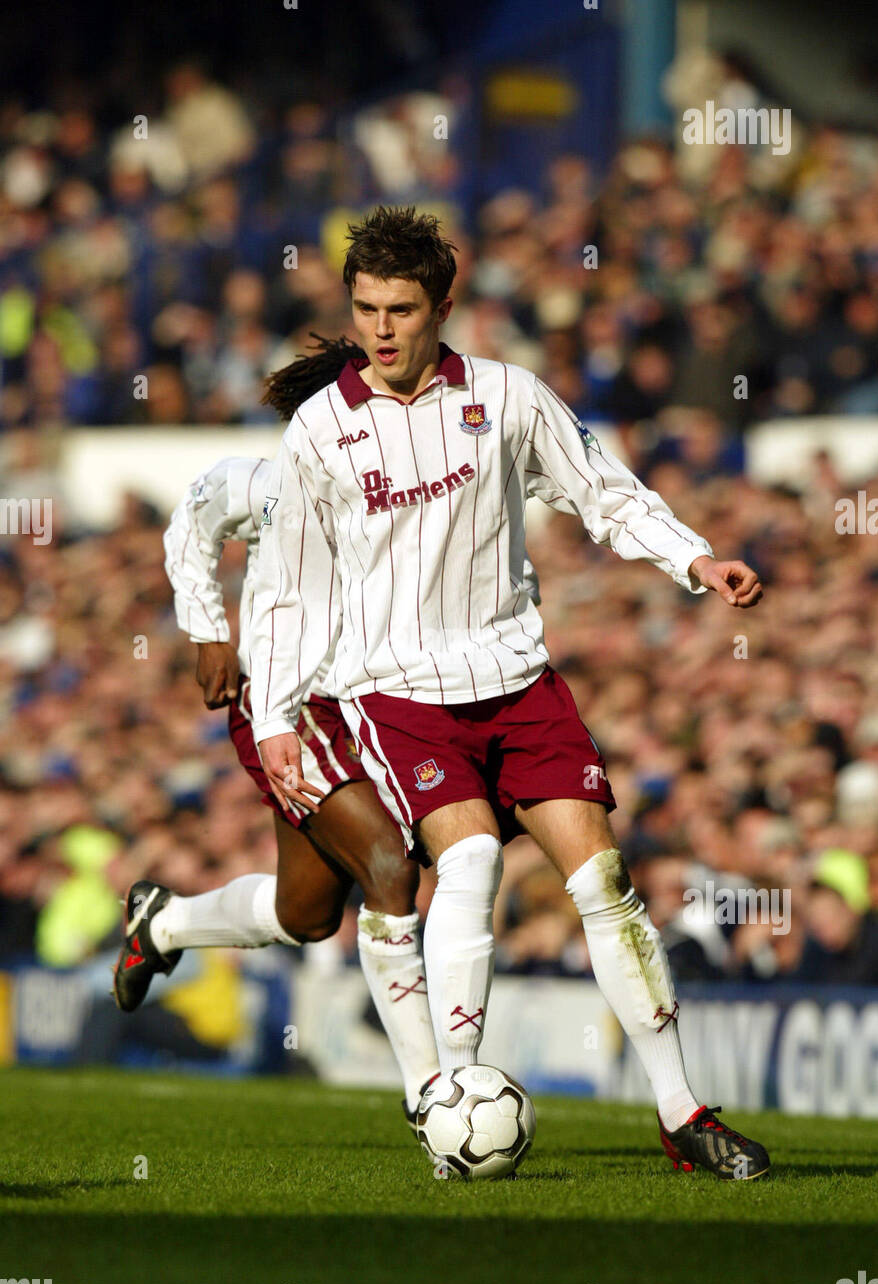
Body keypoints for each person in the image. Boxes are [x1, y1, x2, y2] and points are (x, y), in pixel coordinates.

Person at [250, 206, 771, 1180]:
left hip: (518, 678)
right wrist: (275, 717)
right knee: (475, 855)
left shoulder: (507, 397)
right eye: (365, 310)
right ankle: (456, 1097)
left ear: (443, 306)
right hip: (396, 688)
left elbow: (602, 490)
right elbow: (288, 584)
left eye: (402, 309)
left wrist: (692, 557)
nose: (381, 331)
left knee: (602, 880)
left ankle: (681, 1110)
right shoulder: (320, 432)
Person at [112, 340, 440, 1128]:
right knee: (391, 868)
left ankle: (165, 921)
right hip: (289, 708)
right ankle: (434, 1090)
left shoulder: (411, 489)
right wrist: (206, 629)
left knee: (306, 916)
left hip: (375, 707)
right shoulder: (264, 483)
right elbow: (190, 517)